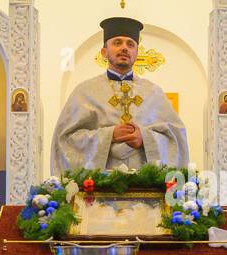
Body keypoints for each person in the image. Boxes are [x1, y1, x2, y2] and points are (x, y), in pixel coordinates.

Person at [51, 17, 188, 171]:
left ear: (136, 53)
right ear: (104, 52)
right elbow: (65, 141)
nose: (124, 48)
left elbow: (176, 139)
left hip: (146, 188)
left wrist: (145, 138)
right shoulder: (84, 92)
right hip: (98, 189)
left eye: (130, 44)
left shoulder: (153, 93)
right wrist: (110, 135)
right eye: (117, 42)